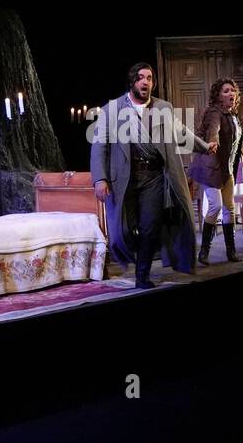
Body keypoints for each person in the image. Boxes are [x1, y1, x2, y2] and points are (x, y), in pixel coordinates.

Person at [90, 62, 217, 288]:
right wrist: (100, 178)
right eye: (141, 77)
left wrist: (205, 147)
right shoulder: (112, 109)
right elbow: (99, 146)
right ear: (132, 81)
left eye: (149, 78)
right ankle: (135, 256)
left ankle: (142, 274)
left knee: (150, 226)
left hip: (154, 178)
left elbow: (181, 133)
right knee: (122, 232)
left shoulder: (163, 108)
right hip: (125, 179)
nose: (145, 82)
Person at [189, 77, 243, 266]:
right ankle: (204, 252)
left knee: (229, 209)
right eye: (225, 91)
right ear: (218, 96)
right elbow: (214, 128)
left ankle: (231, 251)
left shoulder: (233, 115)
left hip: (226, 169)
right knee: (215, 206)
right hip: (210, 169)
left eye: (232, 90)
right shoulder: (215, 112)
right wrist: (212, 141)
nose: (230, 93)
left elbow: (235, 141)